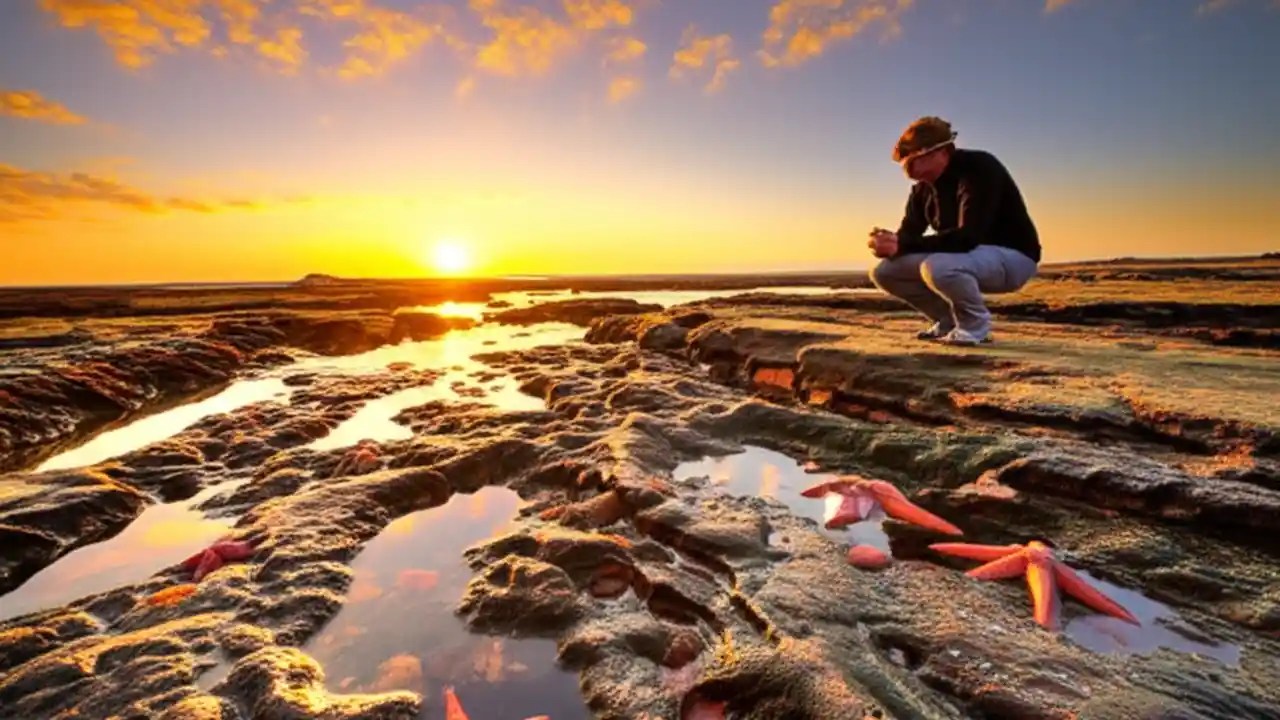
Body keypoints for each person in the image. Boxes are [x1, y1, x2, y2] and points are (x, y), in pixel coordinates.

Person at [867, 116, 1041, 346]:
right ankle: (946, 320)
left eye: (913, 160)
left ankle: (974, 328)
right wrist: (889, 244)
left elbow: (968, 237)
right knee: (885, 272)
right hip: (968, 257)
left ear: (940, 151)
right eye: (904, 164)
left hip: (1013, 257)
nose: (908, 170)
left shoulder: (977, 168)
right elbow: (910, 237)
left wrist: (903, 244)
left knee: (938, 266)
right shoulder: (922, 190)